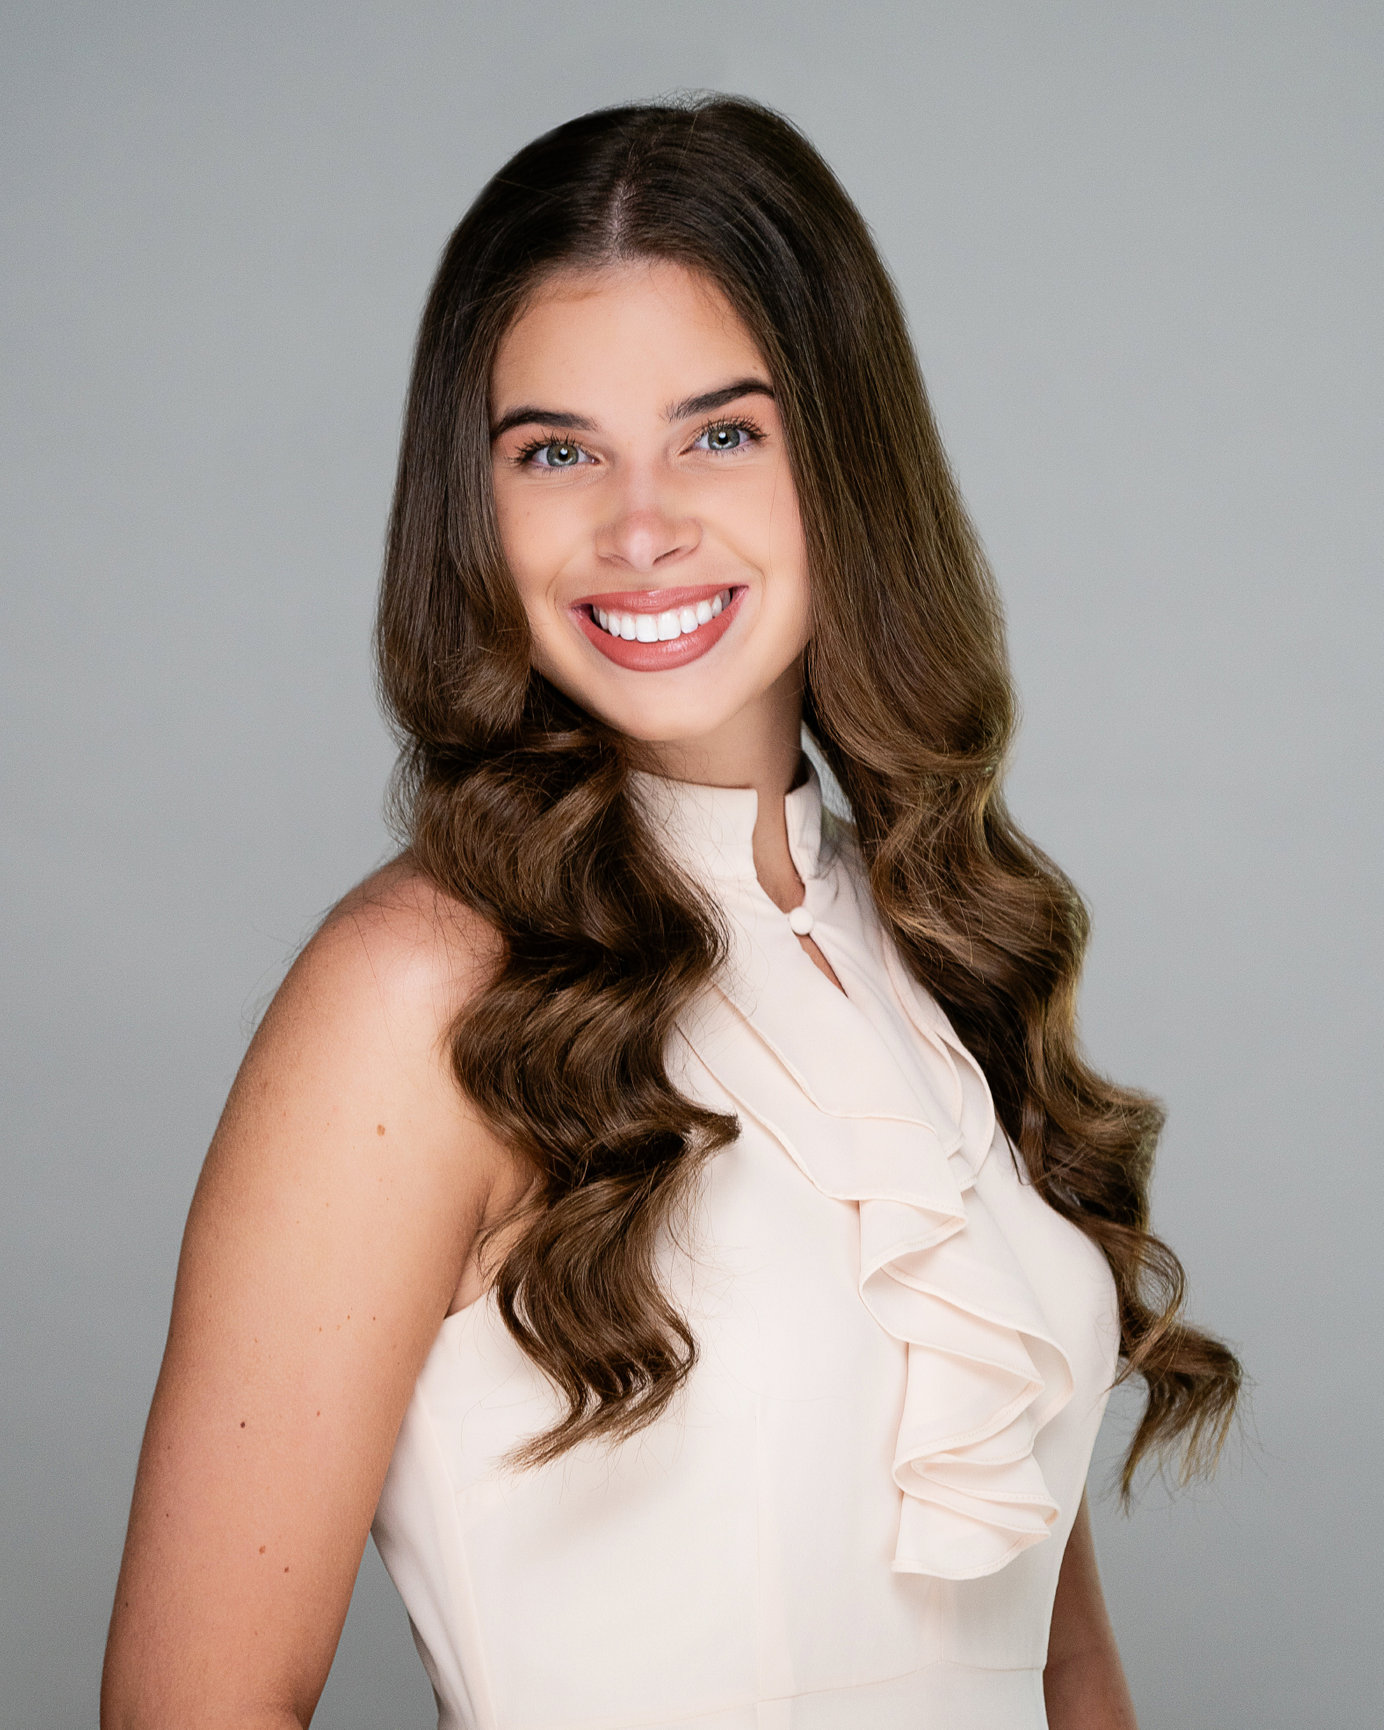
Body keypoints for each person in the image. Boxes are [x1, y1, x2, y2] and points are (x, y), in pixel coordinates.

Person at [101, 95, 1242, 1730]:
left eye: (720, 433)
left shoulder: (930, 950)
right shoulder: (413, 994)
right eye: (556, 450)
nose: (639, 528)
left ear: (842, 462)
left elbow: (1058, 1665)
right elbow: (191, 1703)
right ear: (473, 504)